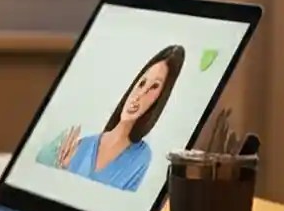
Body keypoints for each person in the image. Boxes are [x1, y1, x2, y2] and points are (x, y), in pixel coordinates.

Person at [35, 45, 186, 192]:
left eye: (154, 87)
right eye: (141, 83)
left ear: (160, 99)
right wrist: (59, 169)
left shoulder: (141, 157)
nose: (140, 95)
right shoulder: (81, 145)